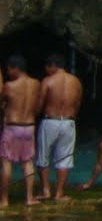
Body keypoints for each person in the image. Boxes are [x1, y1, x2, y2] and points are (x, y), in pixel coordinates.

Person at [35, 53, 82, 202]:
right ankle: (59, 193)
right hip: (69, 121)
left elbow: (40, 104)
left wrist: (35, 116)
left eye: (47, 67)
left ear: (52, 66)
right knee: (65, 158)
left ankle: (46, 191)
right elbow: (78, 104)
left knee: (43, 156)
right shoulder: (76, 82)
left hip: (50, 120)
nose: (46, 71)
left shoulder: (48, 81)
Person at [1, 54, 41, 208]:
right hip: (29, 127)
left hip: (13, 125)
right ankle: (29, 198)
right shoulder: (36, 83)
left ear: (16, 68)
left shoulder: (10, 86)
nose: (8, 73)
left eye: (9, 69)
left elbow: (2, 102)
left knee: (6, 162)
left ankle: (4, 200)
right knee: (27, 162)